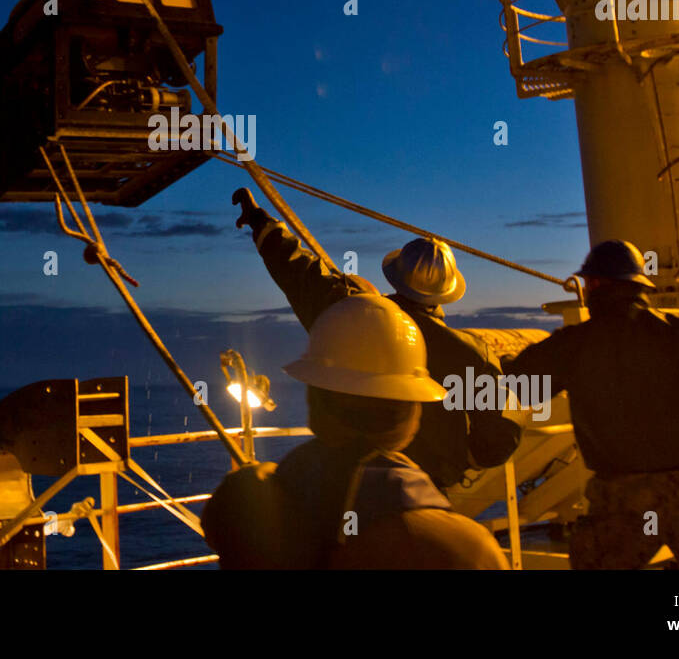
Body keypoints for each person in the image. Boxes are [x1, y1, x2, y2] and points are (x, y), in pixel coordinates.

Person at [201, 191, 508, 569]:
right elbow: (498, 438)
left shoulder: (245, 512)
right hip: (434, 485)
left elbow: (301, 275)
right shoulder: (461, 550)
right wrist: (463, 456)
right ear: (409, 413)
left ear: (316, 396)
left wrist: (263, 225)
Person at [501, 239, 679, 569]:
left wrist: (504, 361)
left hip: (620, 495)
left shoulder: (573, 345)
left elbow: (520, 385)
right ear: (638, 284)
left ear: (594, 284)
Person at [382, 237, 522, 489]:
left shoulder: (365, 330)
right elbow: (502, 433)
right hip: (429, 485)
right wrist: (468, 459)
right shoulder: (472, 353)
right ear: (447, 292)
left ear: (395, 277)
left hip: (358, 484)